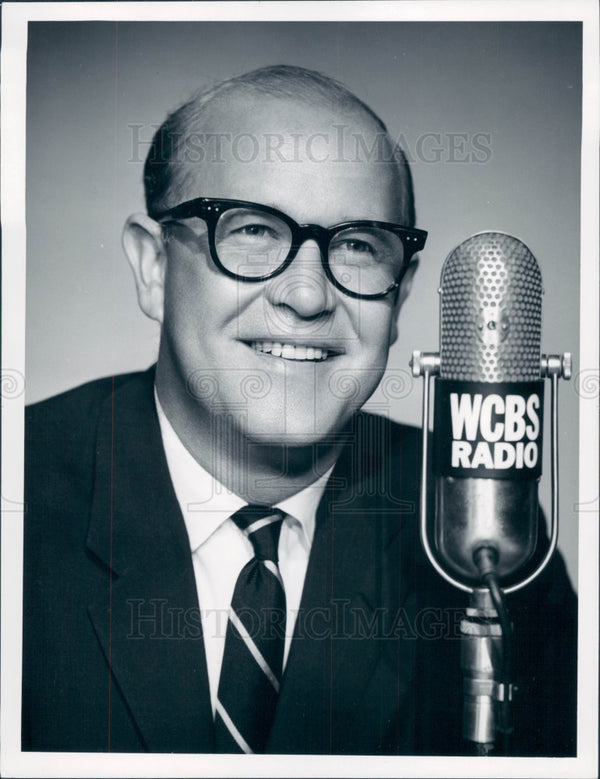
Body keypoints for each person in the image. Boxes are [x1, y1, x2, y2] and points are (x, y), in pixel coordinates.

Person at [22, 65, 576, 755]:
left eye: (357, 246)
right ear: (154, 268)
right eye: (253, 230)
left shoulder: (477, 525)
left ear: (400, 298)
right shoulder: (22, 494)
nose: (308, 296)